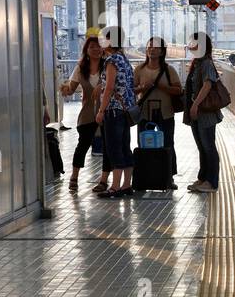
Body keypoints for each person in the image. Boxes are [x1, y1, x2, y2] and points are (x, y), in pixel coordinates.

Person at [134, 37, 183, 190]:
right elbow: (132, 90)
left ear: (162, 51)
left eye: (156, 47)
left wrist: (162, 87)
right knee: (143, 144)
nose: (152, 49)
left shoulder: (169, 70)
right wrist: (143, 88)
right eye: (150, 47)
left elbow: (178, 90)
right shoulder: (139, 69)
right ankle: (144, 176)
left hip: (165, 111)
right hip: (144, 112)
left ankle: (169, 177)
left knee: (168, 144)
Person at [59, 33, 105, 192]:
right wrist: (64, 88)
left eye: (98, 46)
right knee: (83, 145)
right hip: (87, 113)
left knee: (108, 145)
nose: (96, 49)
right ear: (86, 50)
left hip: (106, 111)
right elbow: (70, 90)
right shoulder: (80, 68)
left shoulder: (108, 65)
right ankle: (74, 177)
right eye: (92, 47)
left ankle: (104, 180)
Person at [95, 27, 135, 197]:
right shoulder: (124, 59)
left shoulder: (111, 60)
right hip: (126, 110)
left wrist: (101, 110)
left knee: (114, 148)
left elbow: (109, 87)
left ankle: (115, 186)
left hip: (113, 110)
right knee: (125, 147)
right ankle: (127, 184)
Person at [184, 31, 222, 193]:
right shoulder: (197, 62)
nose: (192, 45)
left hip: (204, 112)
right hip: (197, 112)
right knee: (202, 147)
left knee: (208, 147)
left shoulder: (206, 63)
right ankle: (203, 178)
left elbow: (207, 85)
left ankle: (211, 182)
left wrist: (195, 105)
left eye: (195, 43)